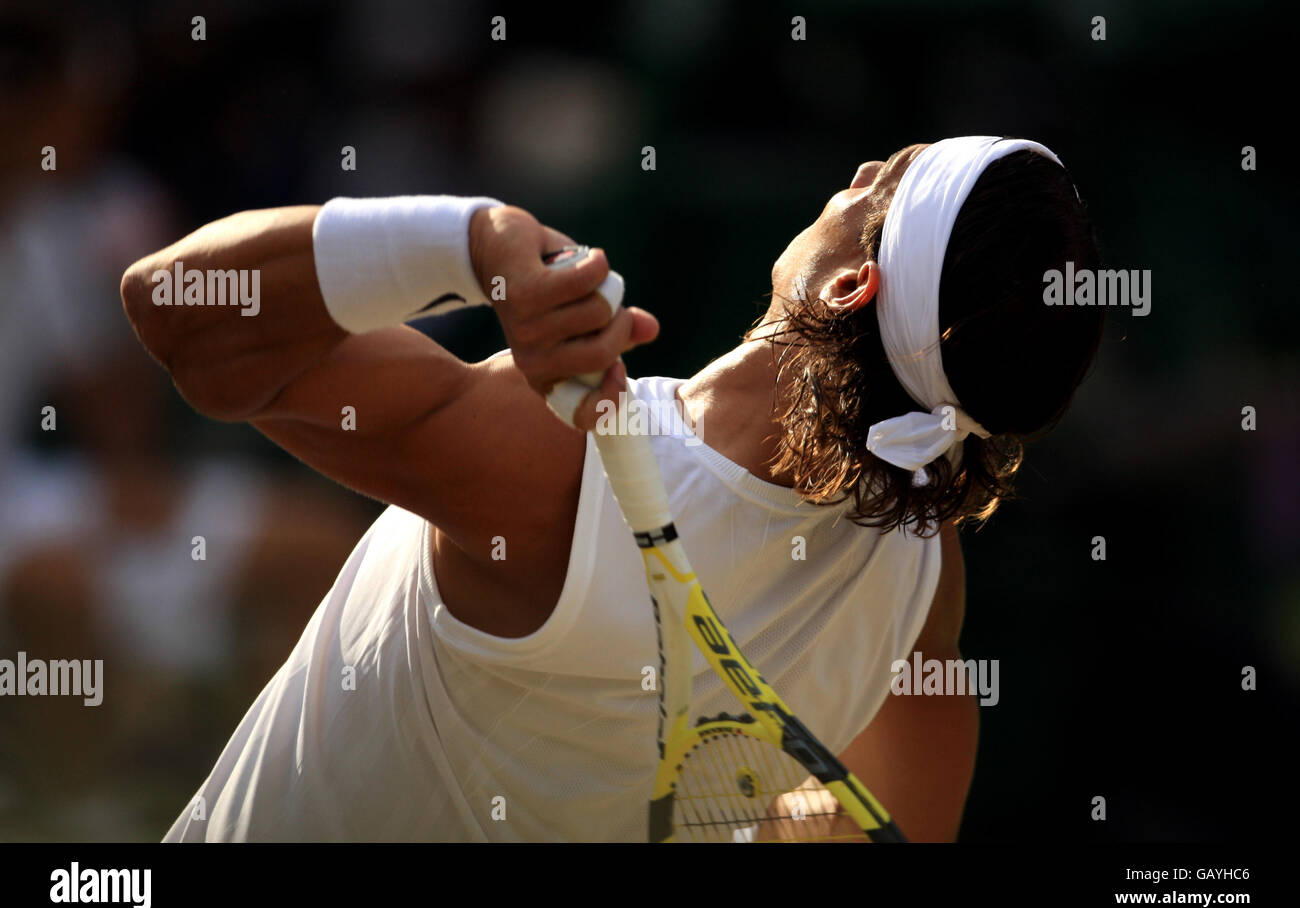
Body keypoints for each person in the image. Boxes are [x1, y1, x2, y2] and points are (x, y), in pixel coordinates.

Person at [120, 136, 1102, 842]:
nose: (851, 174)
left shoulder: (555, 458)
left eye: (880, 185)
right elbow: (894, 824)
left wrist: (468, 243)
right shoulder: (922, 579)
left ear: (851, 286)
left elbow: (177, 311)